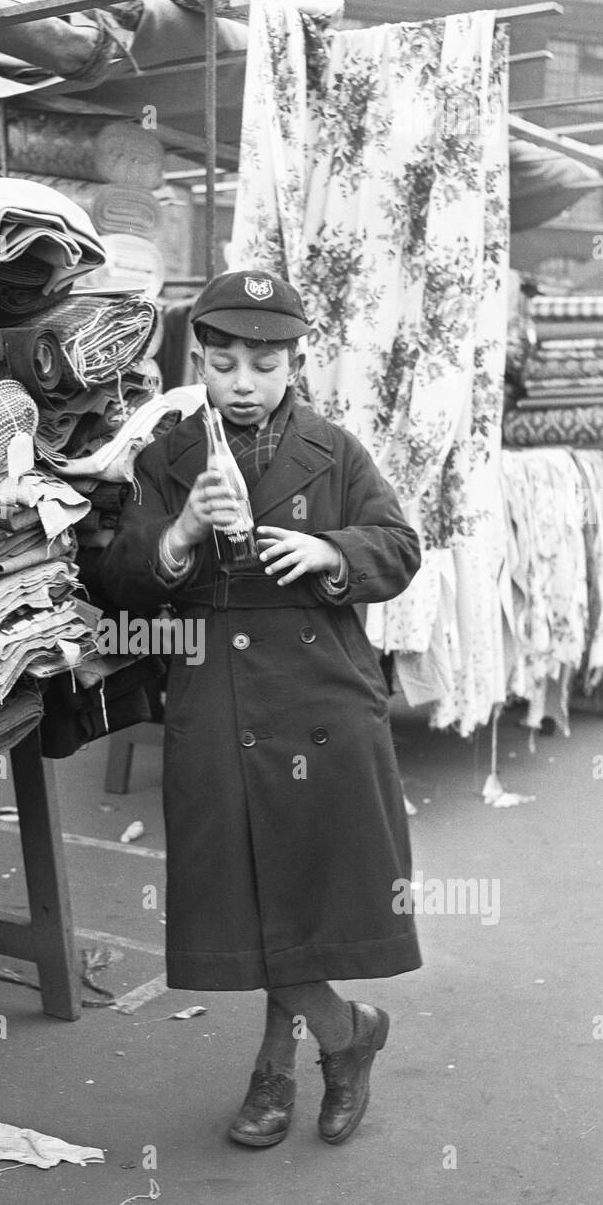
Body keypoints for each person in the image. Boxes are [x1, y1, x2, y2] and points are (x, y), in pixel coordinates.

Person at [99, 269, 422, 1148]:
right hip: (214, 690)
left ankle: (273, 1071)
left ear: (294, 365)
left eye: (265, 365)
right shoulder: (167, 456)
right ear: (197, 361)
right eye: (223, 365)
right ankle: (345, 1034)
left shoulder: (334, 450)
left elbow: (399, 548)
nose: (243, 384)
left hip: (323, 690)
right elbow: (119, 580)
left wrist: (328, 551)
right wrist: (179, 533)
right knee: (244, 892)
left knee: (302, 889)